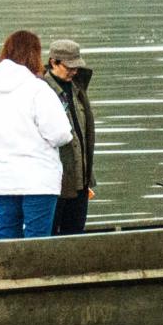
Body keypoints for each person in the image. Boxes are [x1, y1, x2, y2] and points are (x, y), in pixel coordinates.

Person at [0, 30, 76, 239]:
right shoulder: (38, 90)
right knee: (37, 238)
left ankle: (5, 271)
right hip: (38, 178)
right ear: (34, 54)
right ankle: (36, 272)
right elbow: (60, 134)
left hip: (2, 178)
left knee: (6, 233)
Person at [44, 38, 97, 235]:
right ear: (53, 62)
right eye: (69, 67)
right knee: (52, 230)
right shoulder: (41, 90)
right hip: (56, 179)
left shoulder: (77, 87)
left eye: (77, 67)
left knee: (76, 230)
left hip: (81, 176)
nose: (74, 72)